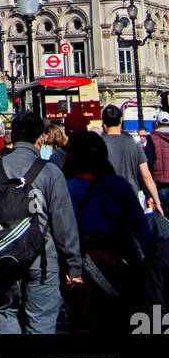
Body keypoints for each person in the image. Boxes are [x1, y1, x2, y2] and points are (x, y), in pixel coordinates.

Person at [0, 109, 83, 335]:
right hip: (42, 259)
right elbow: (63, 222)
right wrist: (73, 264)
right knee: (40, 321)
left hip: (3, 255)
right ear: (40, 137)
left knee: (6, 311)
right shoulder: (51, 172)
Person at [63, 130, 151, 333]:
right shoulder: (119, 184)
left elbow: (68, 230)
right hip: (122, 261)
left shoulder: (70, 187)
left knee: (88, 322)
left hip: (86, 263)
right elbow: (140, 225)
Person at [101, 104, 161, 207]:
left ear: (103, 123)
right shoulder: (132, 142)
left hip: (107, 198)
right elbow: (146, 176)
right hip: (130, 196)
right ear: (121, 120)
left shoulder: (99, 144)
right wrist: (157, 201)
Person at [150, 114, 169, 215]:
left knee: (161, 215)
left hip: (159, 183)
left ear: (157, 124)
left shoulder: (152, 138)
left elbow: (149, 161)